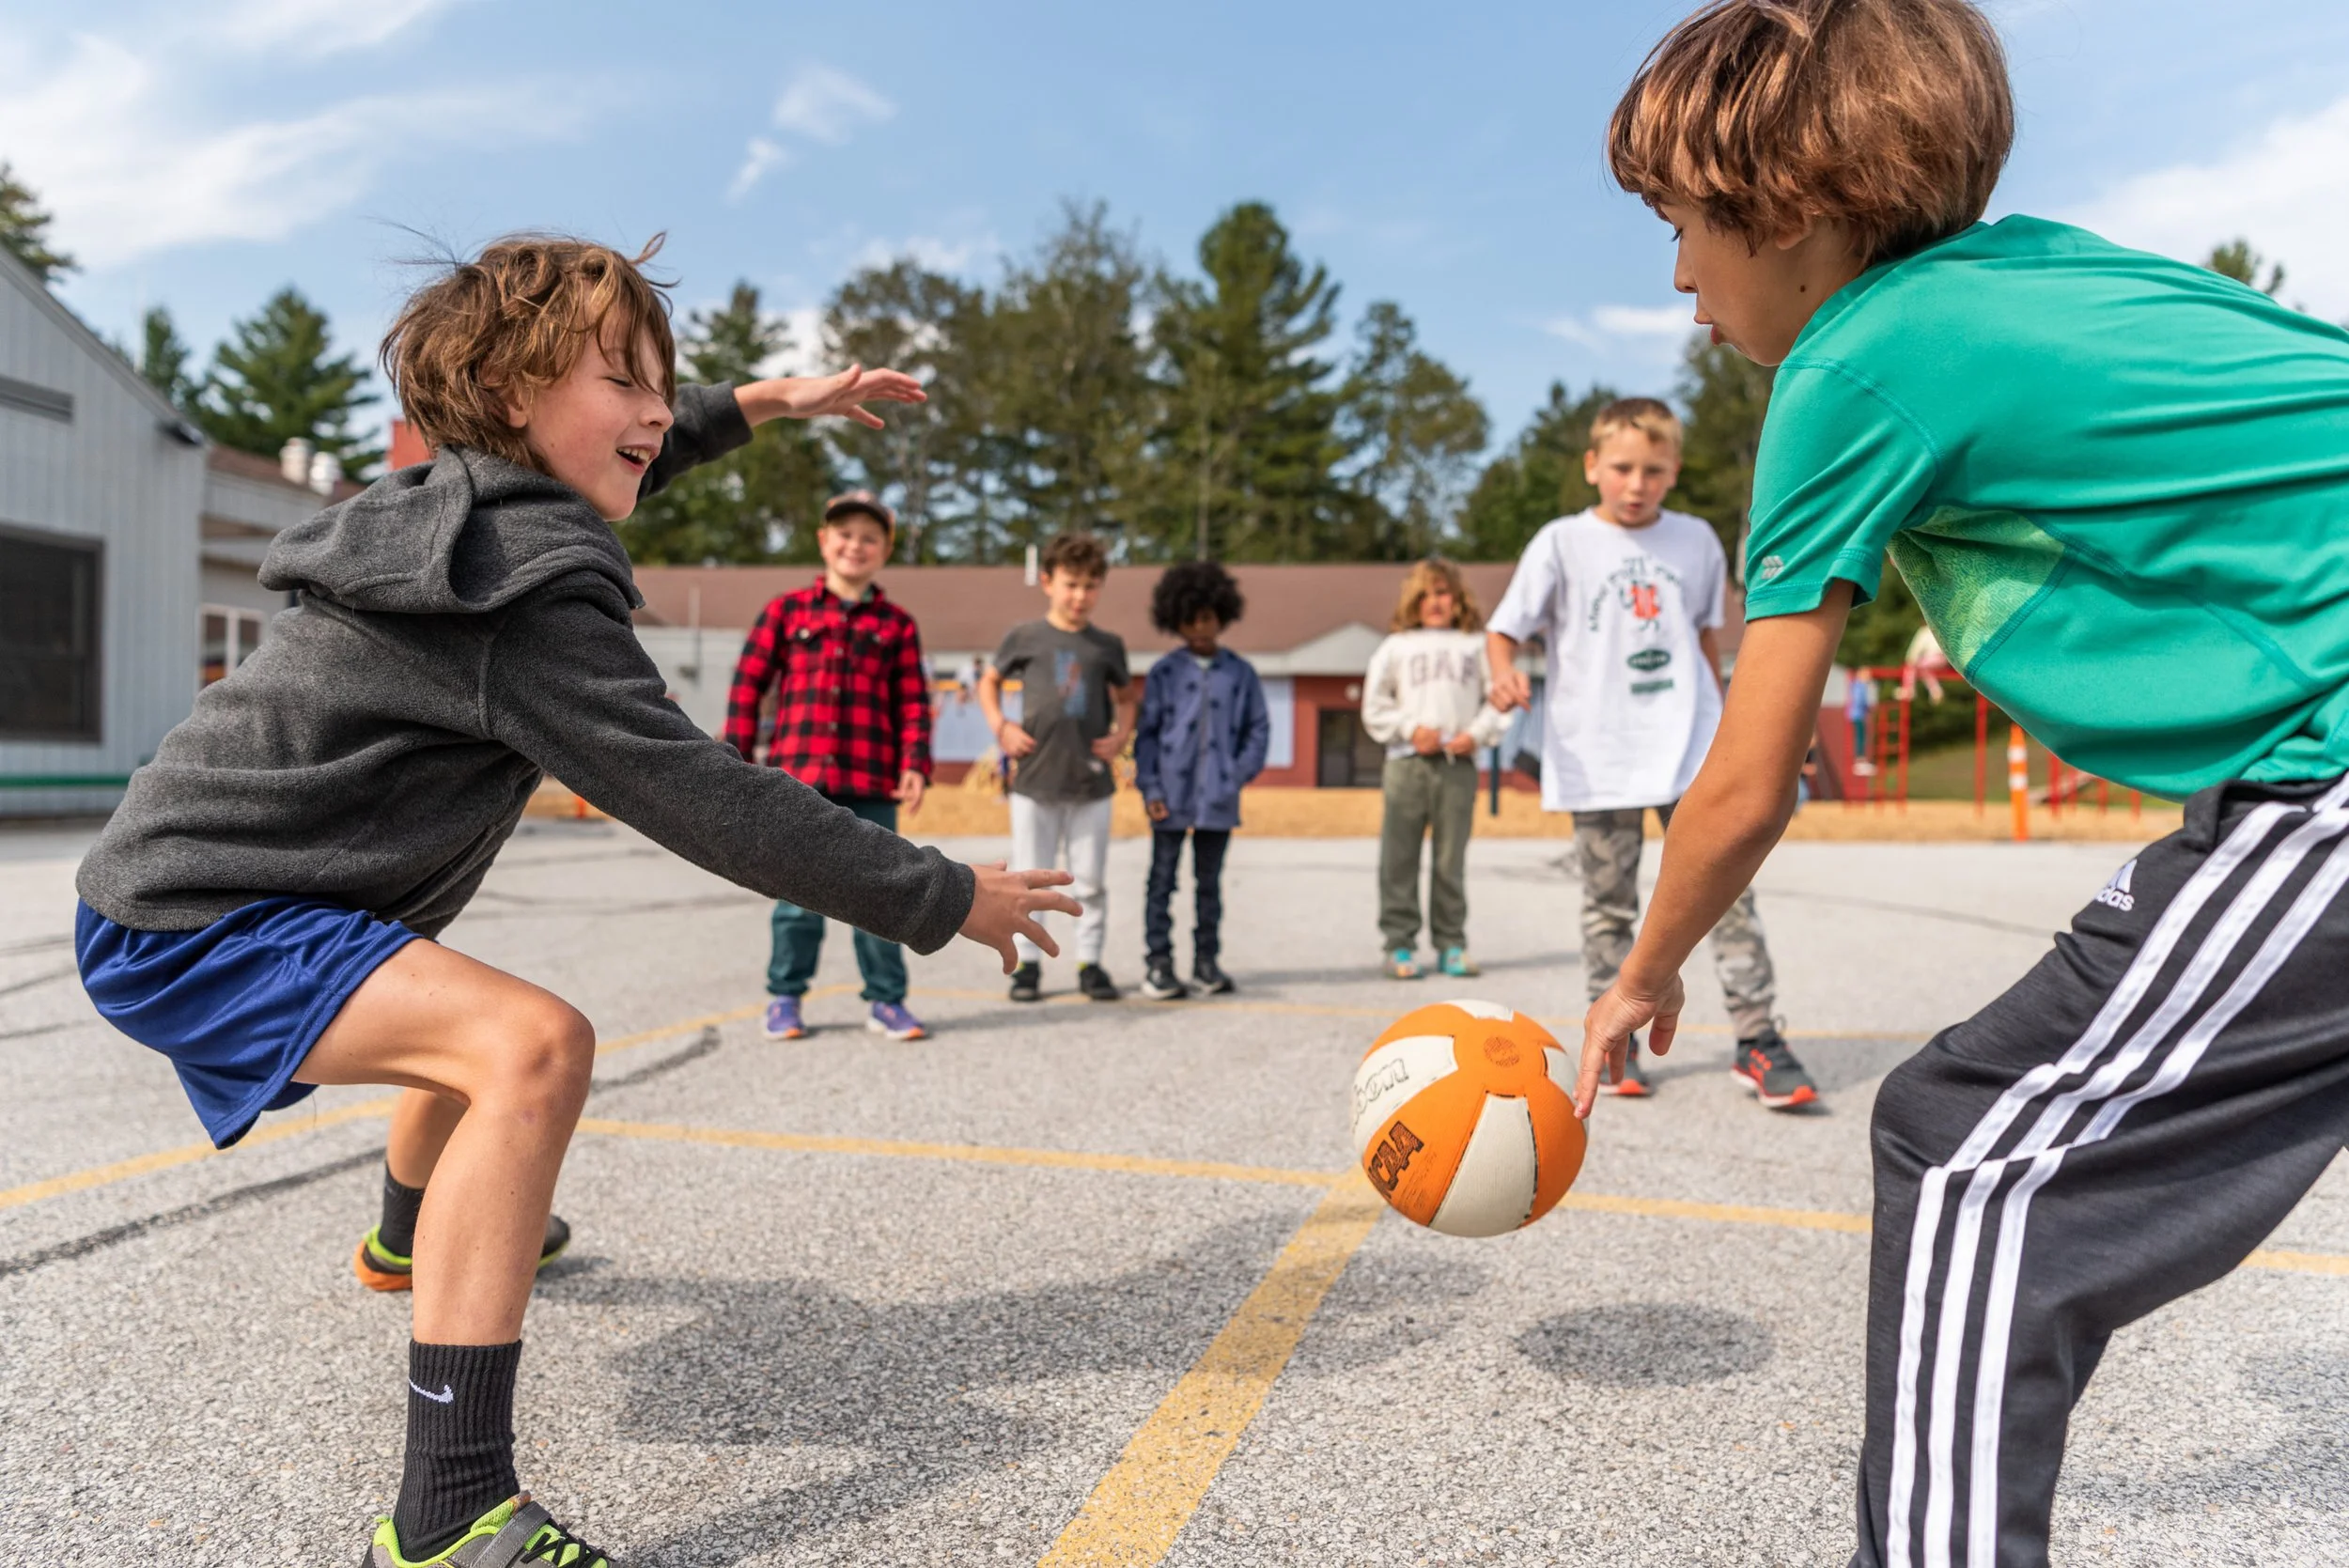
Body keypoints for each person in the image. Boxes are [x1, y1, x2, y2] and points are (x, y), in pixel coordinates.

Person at [70, 234, 1077, 1568]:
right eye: (623, 377)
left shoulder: (457, 511)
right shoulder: (520, 588)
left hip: (189, 888)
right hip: (198, 923)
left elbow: (623, 446)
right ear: (502, 385)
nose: (659, 409)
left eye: (666, 380)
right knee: (531, 1046)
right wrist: (944, 893)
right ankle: (449, 1513)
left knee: (458, 1012)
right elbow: (705, 795)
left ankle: (402, 1239)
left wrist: (773, 403)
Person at [1590, 4, 2349, 1564]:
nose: (1679, 276)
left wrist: (1640, 971)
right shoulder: (2039, 273)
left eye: (1687, 224)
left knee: (1967, 1149)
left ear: (1789, 206)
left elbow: (1748, 775)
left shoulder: (1856, 363)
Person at [1486, 398, 1816, 1107]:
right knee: (1608, 903)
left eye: (1654, 470)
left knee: (1727, 894)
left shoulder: (1696, 539)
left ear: (1674, 472)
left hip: (1688, 743)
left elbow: (1704, 638)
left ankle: (1757, 1037)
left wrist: (1735, 720)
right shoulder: (1561, 542)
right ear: (1592, 467)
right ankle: (1619, 1038)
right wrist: (1502, 669)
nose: (1636, 484)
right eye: (1622, 468)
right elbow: (1504, 628)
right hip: (1597, 749)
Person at [723, 489, 935, 1043]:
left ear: (885, 550)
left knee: (882, 897)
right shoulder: (786, 612)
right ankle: (785, 998)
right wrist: (738, 761)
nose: (854, 546)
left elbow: (913, 701)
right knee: (797, 901)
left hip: (871, 781)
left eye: (869, 538)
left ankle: (887, 1002)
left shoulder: (897, 625)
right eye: (844, 534)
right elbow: (749, 687)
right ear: (823, 540)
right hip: (799, 783)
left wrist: (916, 762)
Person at [978, 530, 1136, 1002]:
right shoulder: (1025, 636)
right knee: (1029, 874)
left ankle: (1090, 962)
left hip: (1091, 783)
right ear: (1047, 582)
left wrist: (1123, 733)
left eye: (1090, 586)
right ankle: (1028, 965)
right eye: (1070, 584)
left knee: (1090, 878)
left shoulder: (1107, 645)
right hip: (1034, 779)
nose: (1080, 595)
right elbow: (989, 681)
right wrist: (1000, 726)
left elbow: (1127, 698)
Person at [1131, 560, 1271, 1000]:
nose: (1200, 628)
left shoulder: (1240, 673)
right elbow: (1148, 736)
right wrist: (1151, 788)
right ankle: (1159, 963)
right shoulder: (1164, 673)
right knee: (1162, 882)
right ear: (1176, 620)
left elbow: (1259, 729)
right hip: (1168, 797)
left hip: (1218, 797)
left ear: (1223, 617)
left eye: (1209, 618)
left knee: (1208, 885)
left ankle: (1207, 962)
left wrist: (1236, 775)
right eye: (1190, 619)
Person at [1361, 558, 1506, 981]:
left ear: (1458, 598)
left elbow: (1497, 701)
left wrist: (1476, 735)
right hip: (1407, 764)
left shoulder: (1476, 645)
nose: (1435, 602)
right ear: (1412, 600)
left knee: (1449, 860)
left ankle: (1451, 944)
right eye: (1425, 594)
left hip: (1457, 765)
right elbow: (1375, 705)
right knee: (1398, 858)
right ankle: (1399, 944)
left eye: (1443, 593)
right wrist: (1409, 728)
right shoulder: (1396, 646)